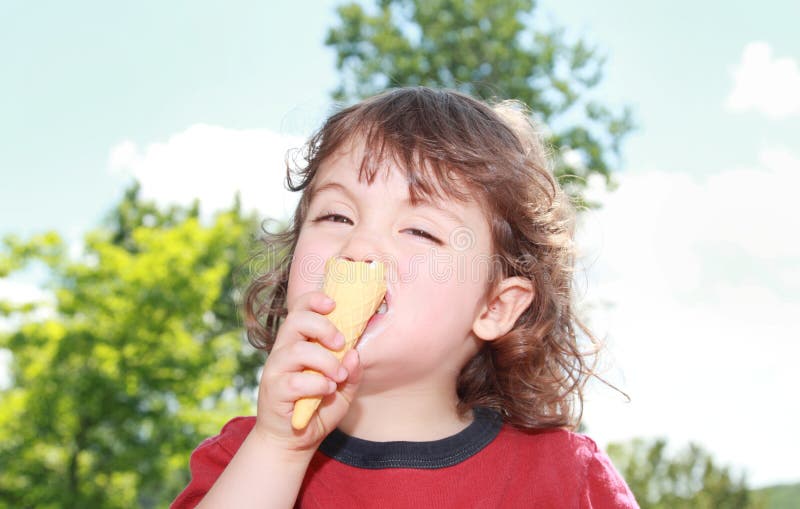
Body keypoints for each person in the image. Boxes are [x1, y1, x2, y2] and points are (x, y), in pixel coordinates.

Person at [171, 87, 639, 508]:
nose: (358, 249)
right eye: (336, 217)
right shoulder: (243, 460)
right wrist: (280, 449)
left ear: (494, 306)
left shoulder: (566, 479)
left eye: (418, 230)